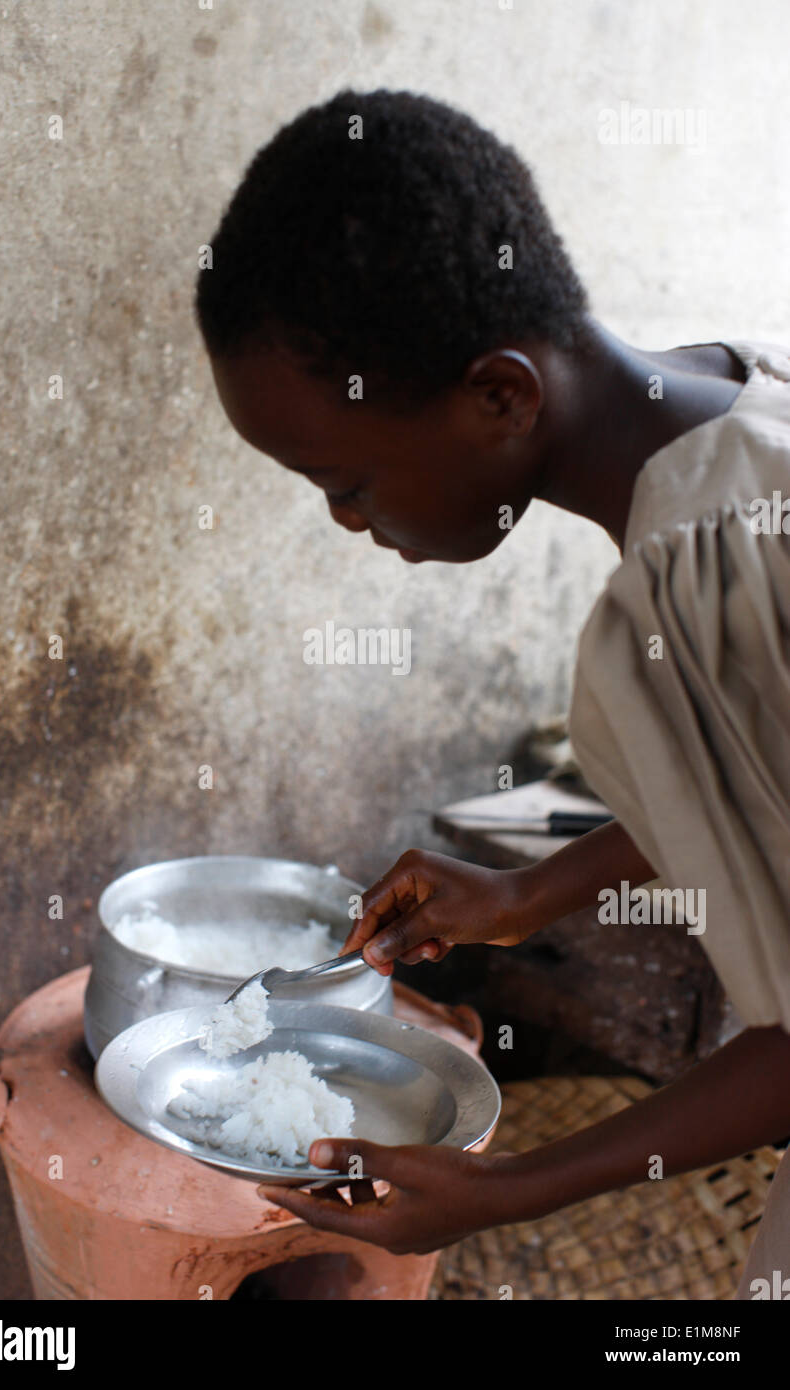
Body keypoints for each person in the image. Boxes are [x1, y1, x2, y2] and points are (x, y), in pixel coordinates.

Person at [195, 89, 790, 1294]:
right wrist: (533, 890)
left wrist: (503, 1188)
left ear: (501, 397)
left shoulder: (699, 591)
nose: (349, 522)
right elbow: (763, 793)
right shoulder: (747, 398)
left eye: (346, 480)